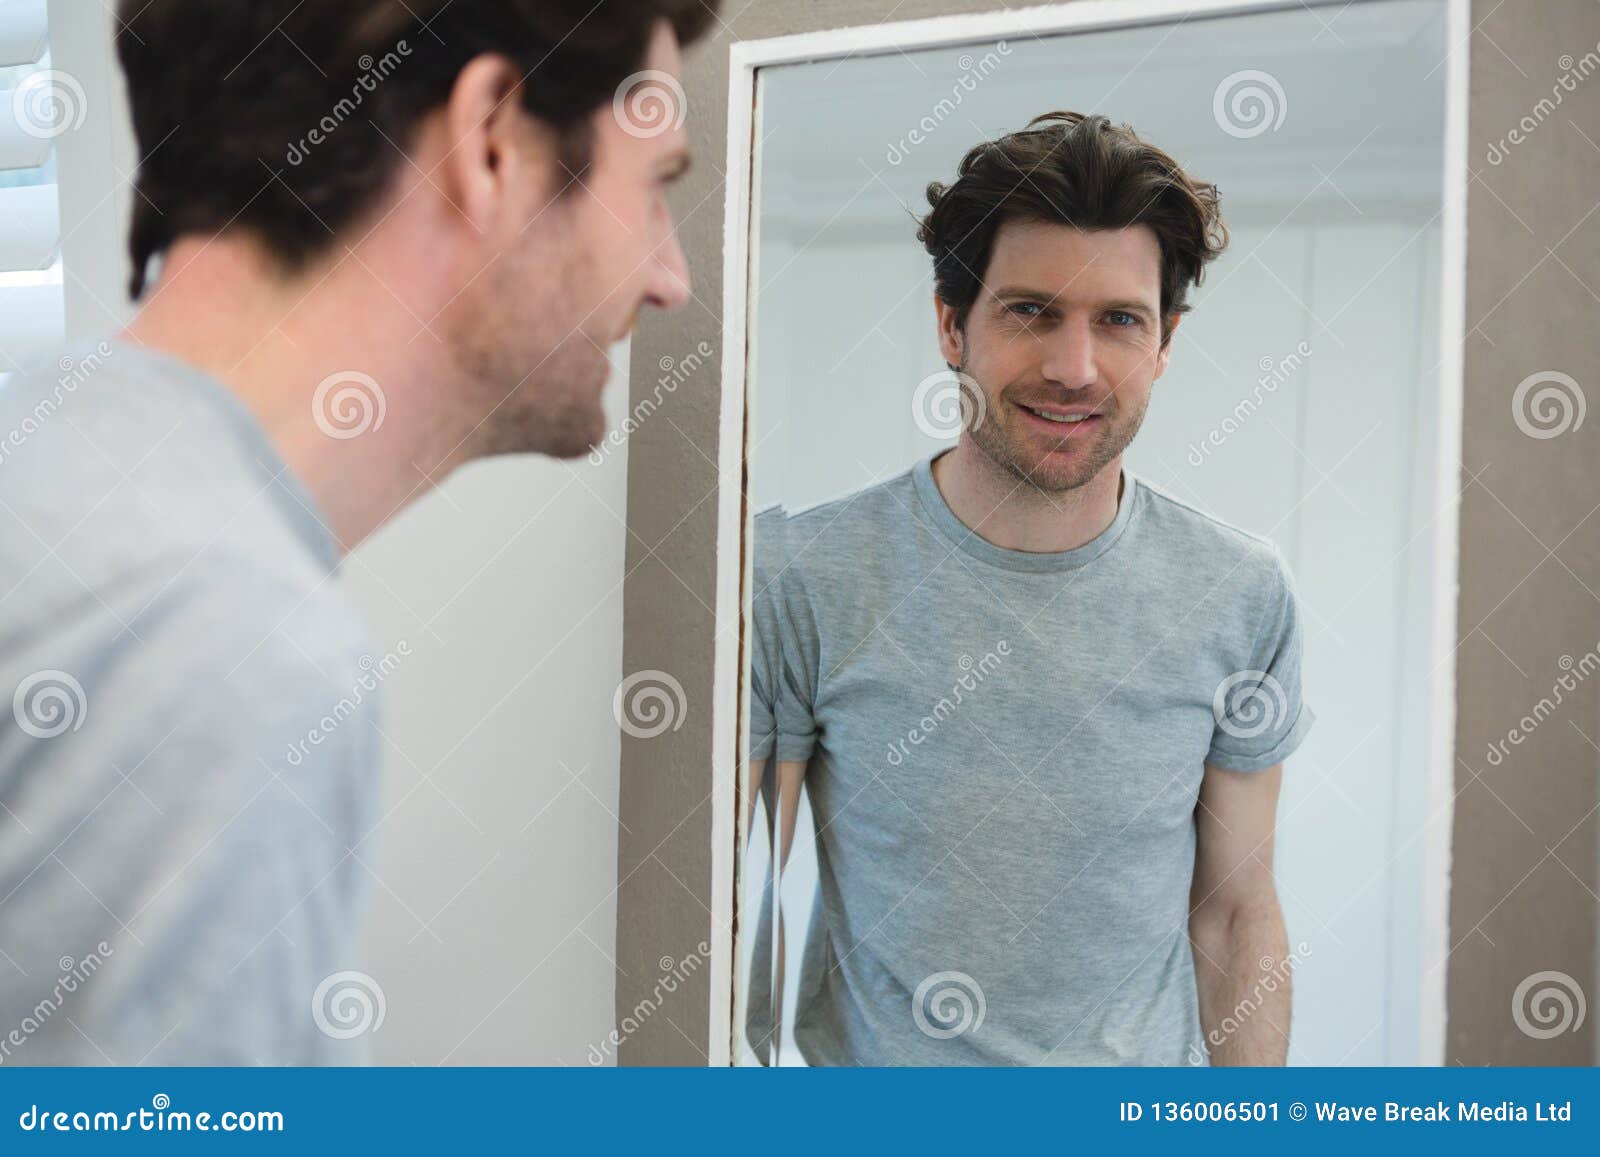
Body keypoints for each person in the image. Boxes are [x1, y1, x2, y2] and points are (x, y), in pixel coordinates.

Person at [0, 0, 716, 1064]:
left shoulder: (52, 458)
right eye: (655, 185)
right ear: (492, 140)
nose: (670, 276)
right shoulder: (221, 635)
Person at [748, 111, 1314, 1066]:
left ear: (1166, 341)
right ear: (951, 325)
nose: (1073, 369)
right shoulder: (805, 575)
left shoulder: (1240, 593)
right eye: (1030, 311)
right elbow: (719, 892)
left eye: (1119, 320)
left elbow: (1235, 913)